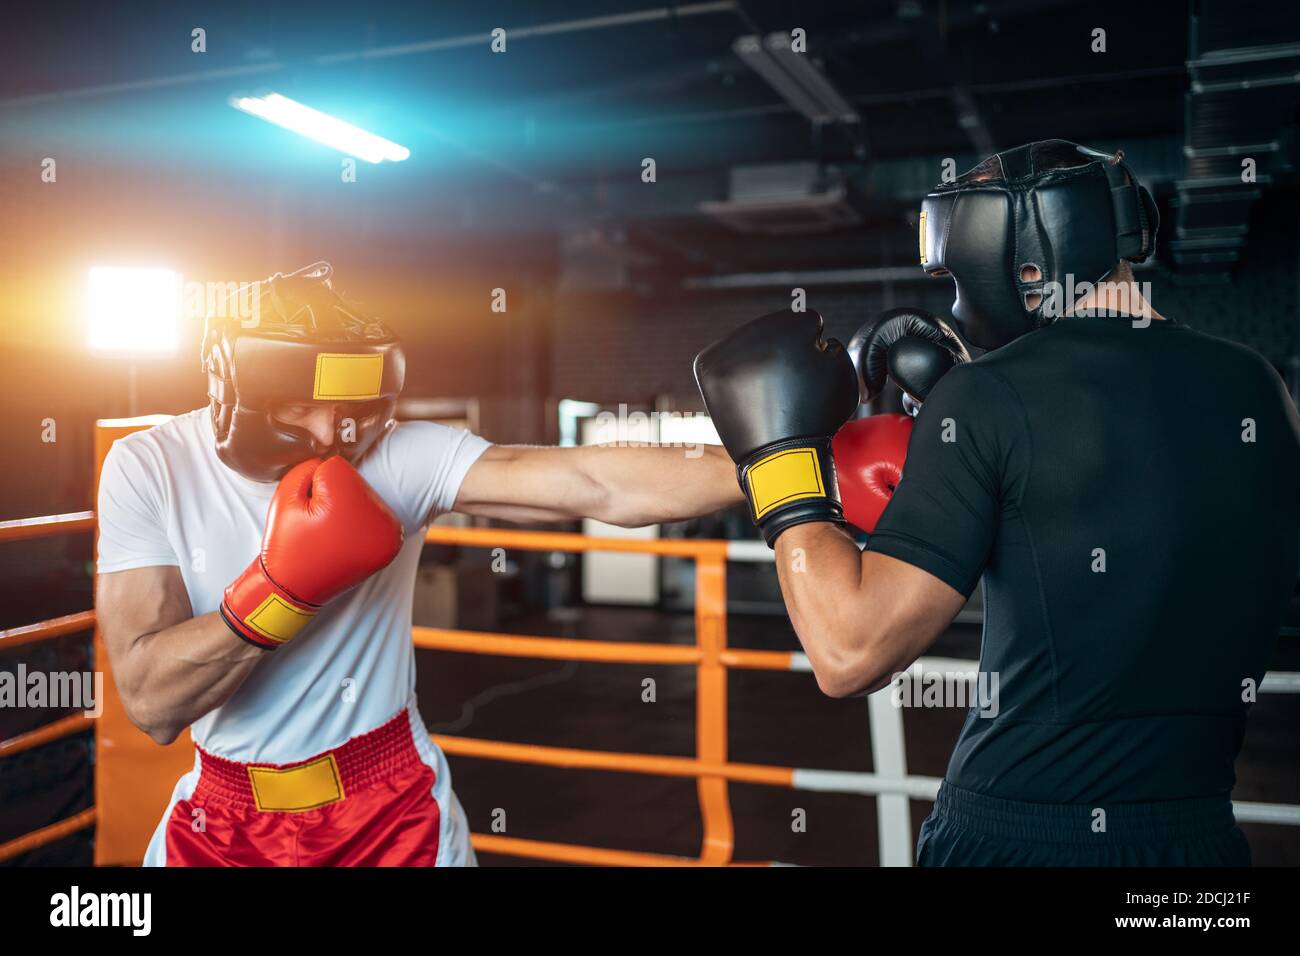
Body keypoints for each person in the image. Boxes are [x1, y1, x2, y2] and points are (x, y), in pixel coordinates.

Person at [696, 140, 1300, 866]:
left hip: (1019, 838)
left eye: (957, 276)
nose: (956, 303)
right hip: (1199, 844)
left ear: (1028, 263)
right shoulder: (1258, 388)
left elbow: (849, 653)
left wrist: (782, 461)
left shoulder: (988, 398)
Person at [94, 261, 759, 866]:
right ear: (233, 388)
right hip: (220, 820)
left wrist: (793, 468)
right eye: (300, 407)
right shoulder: (151, 467)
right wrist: (279, 590)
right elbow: (152, 704)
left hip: (388, 811)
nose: (329, 437)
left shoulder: (396, 455)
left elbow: (593, 480)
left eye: (347, 412)